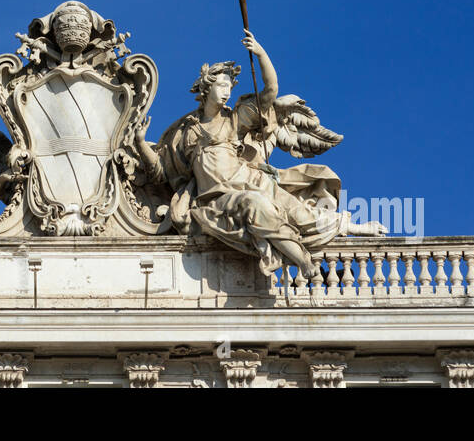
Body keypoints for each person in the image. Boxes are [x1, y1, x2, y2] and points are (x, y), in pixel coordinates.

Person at [134, 33, 384, 278]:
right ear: (207, 86)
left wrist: (261, 54)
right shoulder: (187, 131)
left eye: (229, 87)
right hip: (218, 198)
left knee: (297, 213)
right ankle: (304, 261)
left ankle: (351, 226)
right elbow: (160, 171)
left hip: (251, 180)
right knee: (257, 206)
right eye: (221, 85)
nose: (227, 92)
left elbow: (270, 91)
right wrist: (141, 142)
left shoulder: (233, 120)